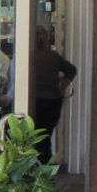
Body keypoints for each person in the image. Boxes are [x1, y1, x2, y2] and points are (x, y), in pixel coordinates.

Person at [30, 24, 77, 166]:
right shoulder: (53, 56)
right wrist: (62, 88)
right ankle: (45, 172)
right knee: (45, 139)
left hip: (33, 102)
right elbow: (71, 70)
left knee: (30, 138)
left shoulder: (27, 55)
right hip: (52, 102)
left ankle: (32, 174)